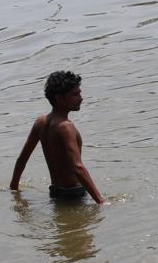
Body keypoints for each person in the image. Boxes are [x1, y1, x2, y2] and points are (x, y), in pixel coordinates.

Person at [10, 71, 107, 205]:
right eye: (75, 94)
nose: (81, 98)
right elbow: (77, 167)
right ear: (59, 98)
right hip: (74, 194)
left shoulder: (41, 122)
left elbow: (22, 158)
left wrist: (14, 188)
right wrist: (101, 201)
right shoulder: (66, 127)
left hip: (55, 192)